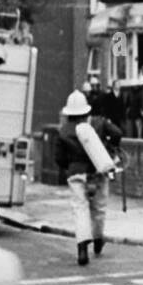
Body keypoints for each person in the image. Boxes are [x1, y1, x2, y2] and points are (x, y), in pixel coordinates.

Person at [55, 89, 124, 266]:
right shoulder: (99, 123)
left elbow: (59, 159)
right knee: (99, 208)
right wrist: (109, 147)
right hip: (99, 171)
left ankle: (82, 250)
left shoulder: (63, 131)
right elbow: (117, 133)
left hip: (76, 174)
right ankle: (98, 240)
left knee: (80, 208)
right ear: (87, 110)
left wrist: (69, 167)